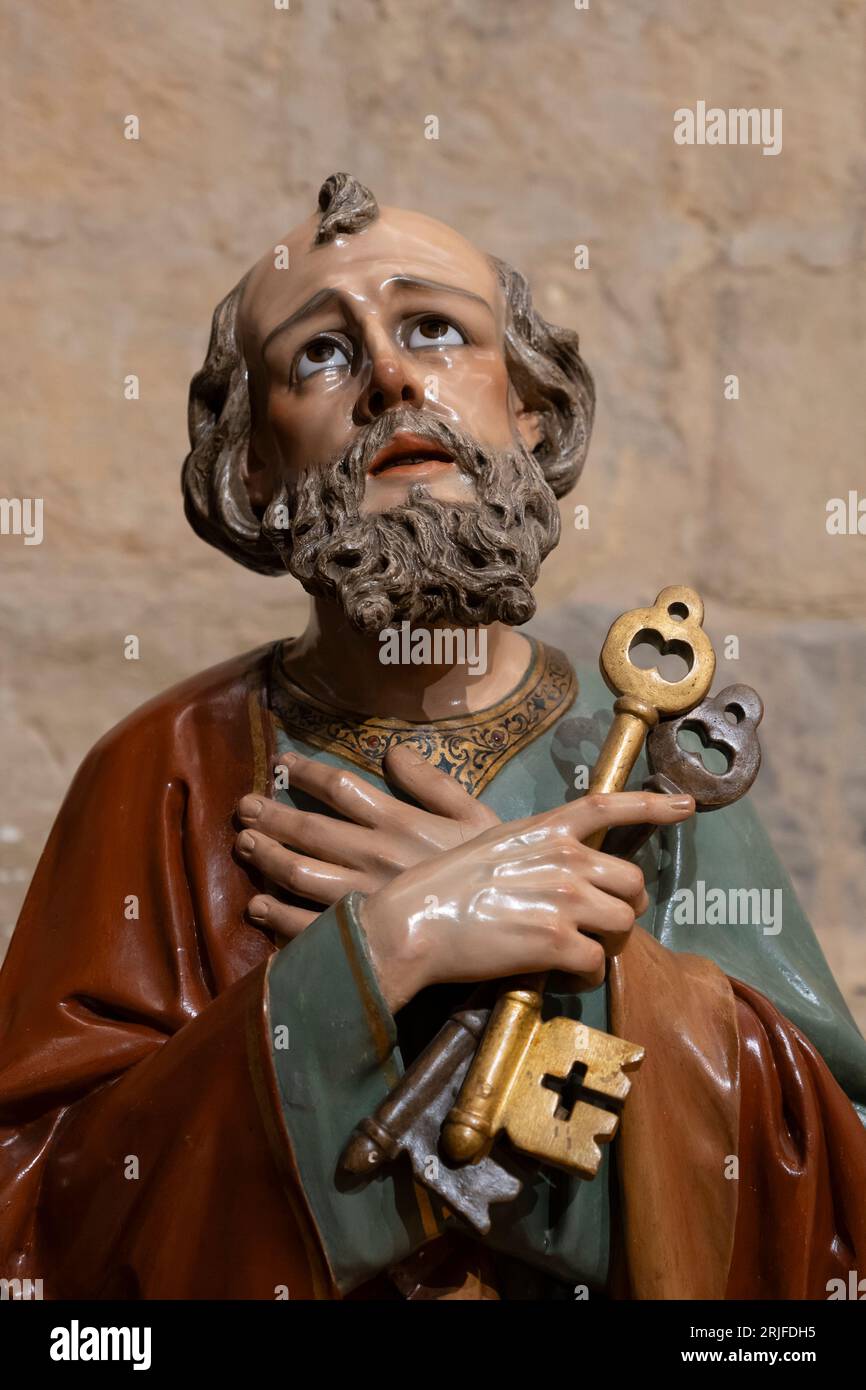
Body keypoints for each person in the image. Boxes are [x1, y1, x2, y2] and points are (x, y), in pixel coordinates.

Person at [1, 174, 863, 1301]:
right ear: (253, 463)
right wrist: (391, 944)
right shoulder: (166, 770)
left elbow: (830, 1183)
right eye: (319, 354)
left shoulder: (659, 772)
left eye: (434, 329)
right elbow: (40, 1223)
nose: (392, 379)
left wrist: (592, 981)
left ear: (529, 410)